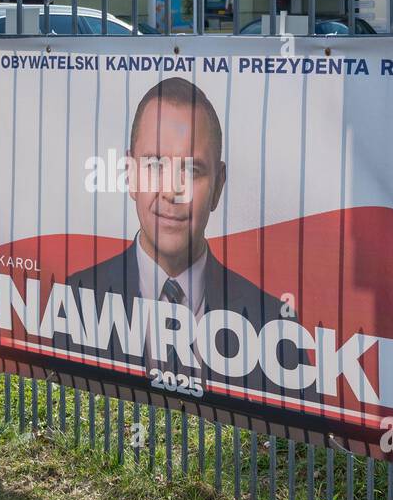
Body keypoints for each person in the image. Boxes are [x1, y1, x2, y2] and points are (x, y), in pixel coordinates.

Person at [60, 77, 297, 383]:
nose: (172, 191)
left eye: (192, 170)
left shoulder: (274, 323)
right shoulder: (78, 298)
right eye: (155, 164)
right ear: (130, 174)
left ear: (217, 187)